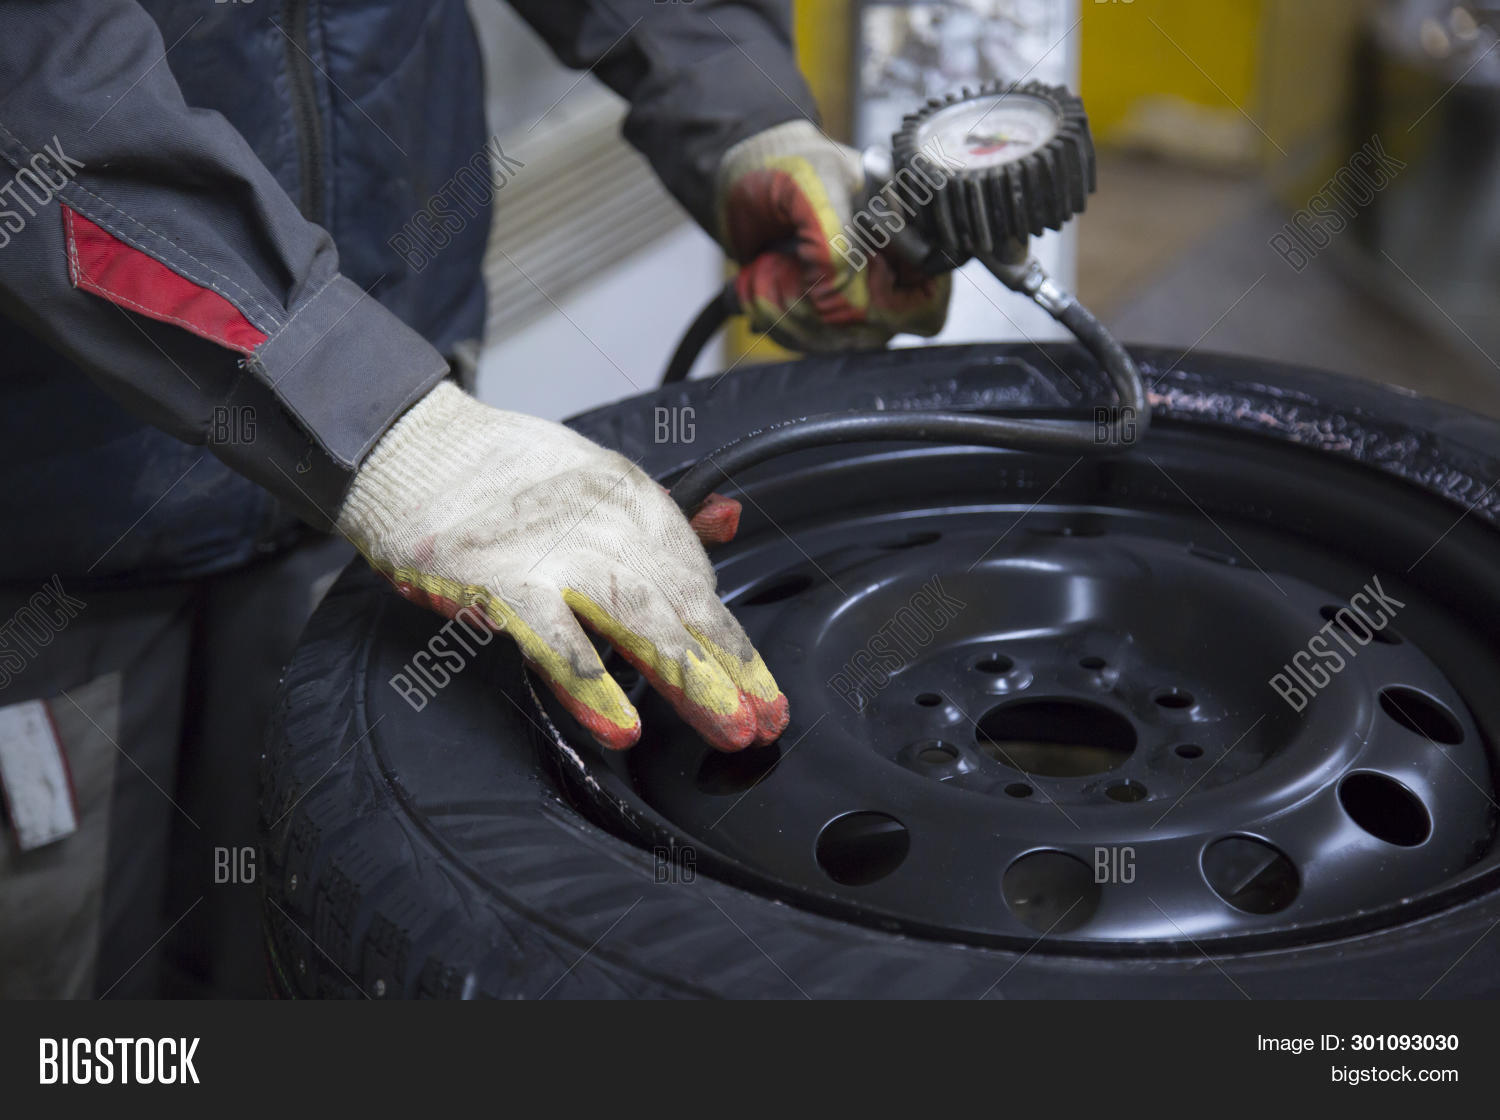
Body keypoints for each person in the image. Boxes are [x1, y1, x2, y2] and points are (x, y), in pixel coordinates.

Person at [0, 1, 948, 997]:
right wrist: (372, 417)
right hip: (54, 533)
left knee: (315, 934)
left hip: (365, 496)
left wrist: (735, 99)